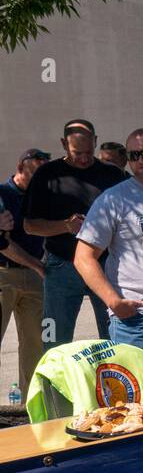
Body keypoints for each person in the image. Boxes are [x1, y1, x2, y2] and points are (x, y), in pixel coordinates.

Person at [24, 120, 123, 348]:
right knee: (54, 338)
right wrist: (65, 226)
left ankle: (113, 382)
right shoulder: (47, 175)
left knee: (114, 337)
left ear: (96, 142)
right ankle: (54, 383)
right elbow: (30, 225)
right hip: (62, 267)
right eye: (77, 152)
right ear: (63, 144)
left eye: (89, 152)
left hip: (104, 265)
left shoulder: (112, 175)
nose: (84, 158)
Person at [73, 129, 143, 351]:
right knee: (134, 386)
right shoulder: (114, 199)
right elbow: (83, 257)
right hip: (136, 319)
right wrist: (114, 302)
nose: (141, 160)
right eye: (134, 155)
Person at [0, 148, 50, 400]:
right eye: (36, 167)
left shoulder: (41, 196)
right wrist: (38, 265)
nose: (41, 174)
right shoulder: (2, 194)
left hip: (33, 276)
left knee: (35, 345)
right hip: (4, 274)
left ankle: (30, 403)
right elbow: (3, 243)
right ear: (21, 165)